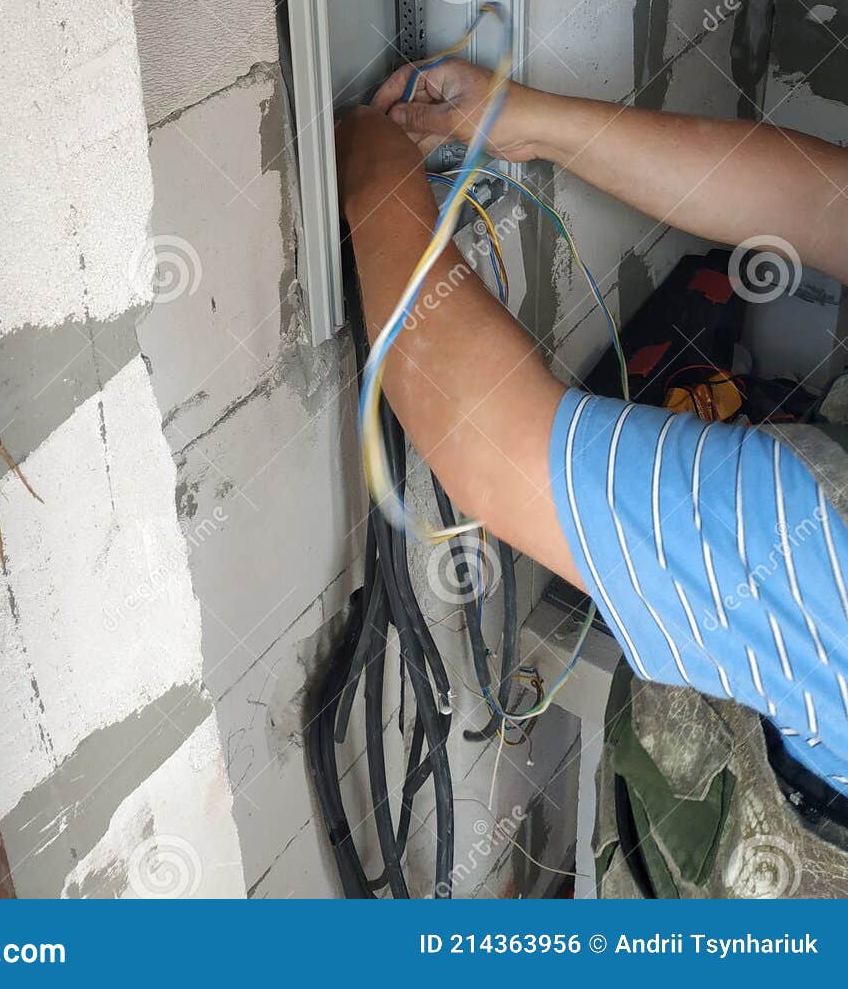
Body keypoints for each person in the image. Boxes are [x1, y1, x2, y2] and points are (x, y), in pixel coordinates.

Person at [335, 57, 848, 898]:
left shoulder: (811, 548)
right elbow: (822, 203)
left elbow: (495, 440)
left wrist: (366, 162)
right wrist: (525, 121)